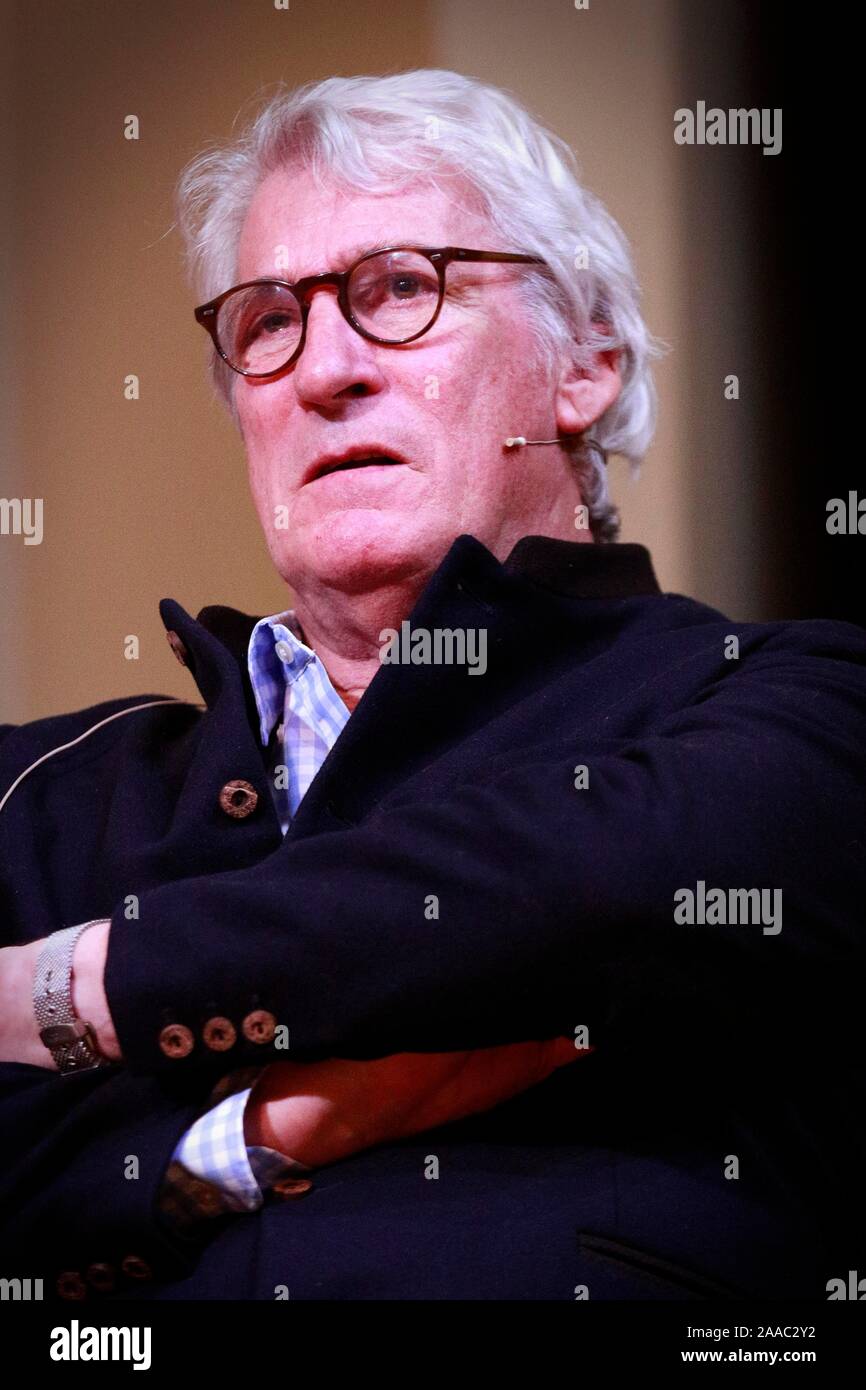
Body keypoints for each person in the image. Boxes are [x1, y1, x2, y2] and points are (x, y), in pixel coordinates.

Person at [1, 69, 863, 1303]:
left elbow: (577, 884)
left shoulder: (792, 707)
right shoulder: (35, 795)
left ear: (584, 369)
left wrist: (68, 987)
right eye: (265, 322)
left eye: (399, 287)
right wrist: (235, 1146)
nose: (322, 369)